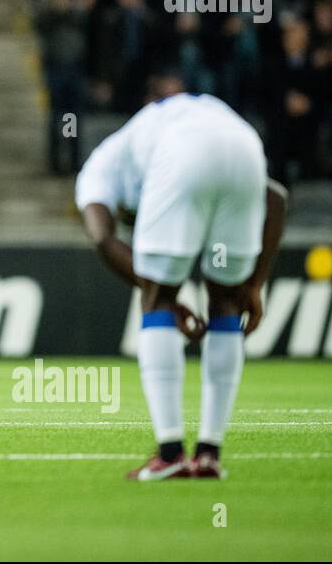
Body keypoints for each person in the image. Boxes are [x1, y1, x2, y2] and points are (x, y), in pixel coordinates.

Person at [75, 89, 287, 480]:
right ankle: (209, 453)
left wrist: (163, 294)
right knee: (225, 301)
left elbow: (103, 238)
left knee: (155, 303)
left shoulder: (99, 167)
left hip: (184, 152)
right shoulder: (150, 131)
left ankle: (170, 453)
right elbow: (275, 198)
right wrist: (254, 285)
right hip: (244, 143)